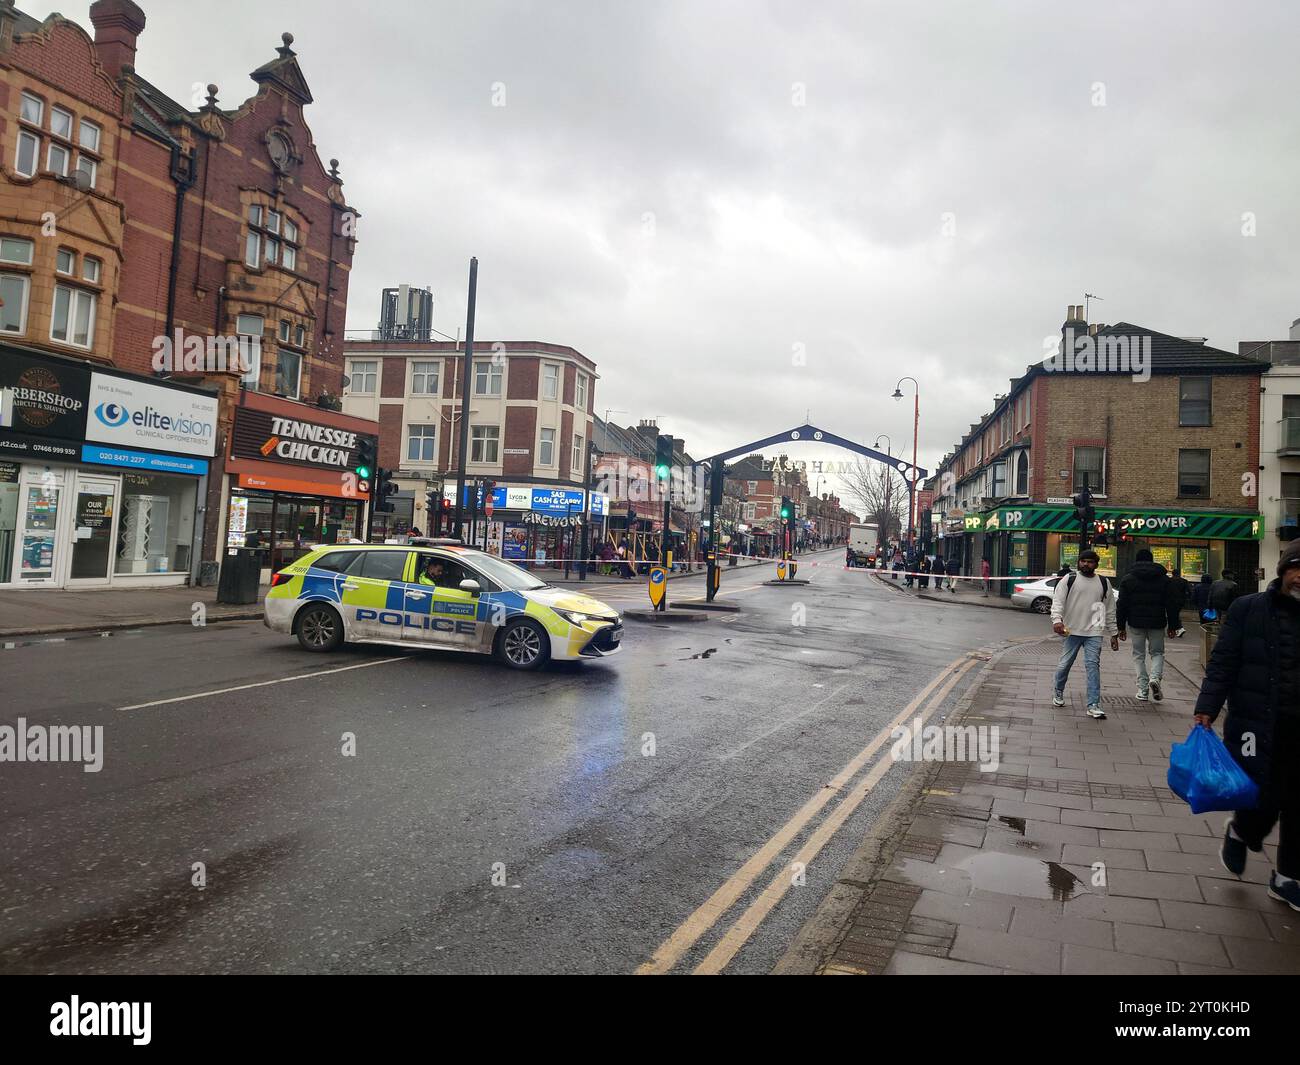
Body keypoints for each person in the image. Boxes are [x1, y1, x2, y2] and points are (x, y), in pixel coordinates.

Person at [1193, 537, 1300, 912]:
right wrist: (1207, 706)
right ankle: (1241, 831)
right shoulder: (1248, 609)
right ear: (1283, 570)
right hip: (1257, 724)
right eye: (1296, 568)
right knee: (1262, 798)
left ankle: (1288, 879)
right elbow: (1223, 661)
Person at [1050, 548, 1119, 719]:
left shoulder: (1104, 582)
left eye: (1090, 562)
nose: (1086, 564)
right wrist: (1057, 620)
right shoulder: (1070, 579)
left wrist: (1114, 633)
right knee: (1064, 664)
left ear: (1096, 564)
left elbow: (1110, 609)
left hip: (1095, 631)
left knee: (1092, 666)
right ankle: (1058, 692)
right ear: (1079, 562)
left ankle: (1093, 705)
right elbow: (1058, 601)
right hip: (1072, 630)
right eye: (1083, 561)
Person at [1116, 548, 1181, 702]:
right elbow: (1171, 604)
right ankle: (1155, 678)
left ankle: (1143, 689)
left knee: (1138, 655)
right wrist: (1173, 626)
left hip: (1135, 622)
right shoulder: (1164, 579)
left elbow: (1122, 604)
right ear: (1152, 560)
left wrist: (1120, 627)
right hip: (1157, 622)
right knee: (1157, 653)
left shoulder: (1128, 578)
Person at [1168, 566, 1190, 637]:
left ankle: (1176, 629)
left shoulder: (1169, 581)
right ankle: (1177, 629)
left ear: (1172, 573)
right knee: (1175, 615)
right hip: (1180, 601)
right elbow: (1189, 592)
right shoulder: (1184, 581)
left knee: (1172, 616)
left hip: (1170, 601)